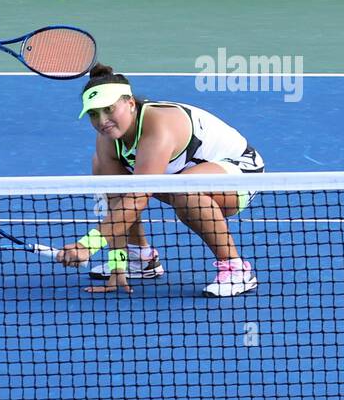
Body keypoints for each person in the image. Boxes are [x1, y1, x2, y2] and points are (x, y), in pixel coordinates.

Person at [56, 64, 265, 297]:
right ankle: (139, 258)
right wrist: (118, 263)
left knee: (185, 190)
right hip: (183, 175)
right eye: (94, 114)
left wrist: (88, 245)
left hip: (240, 173)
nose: (102, 120)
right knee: (105, 169)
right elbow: (118, 198)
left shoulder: (159, 128)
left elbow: (137, 198)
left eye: (109, 109)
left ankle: (236, 270)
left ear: (130, 104)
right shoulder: (107, 140)